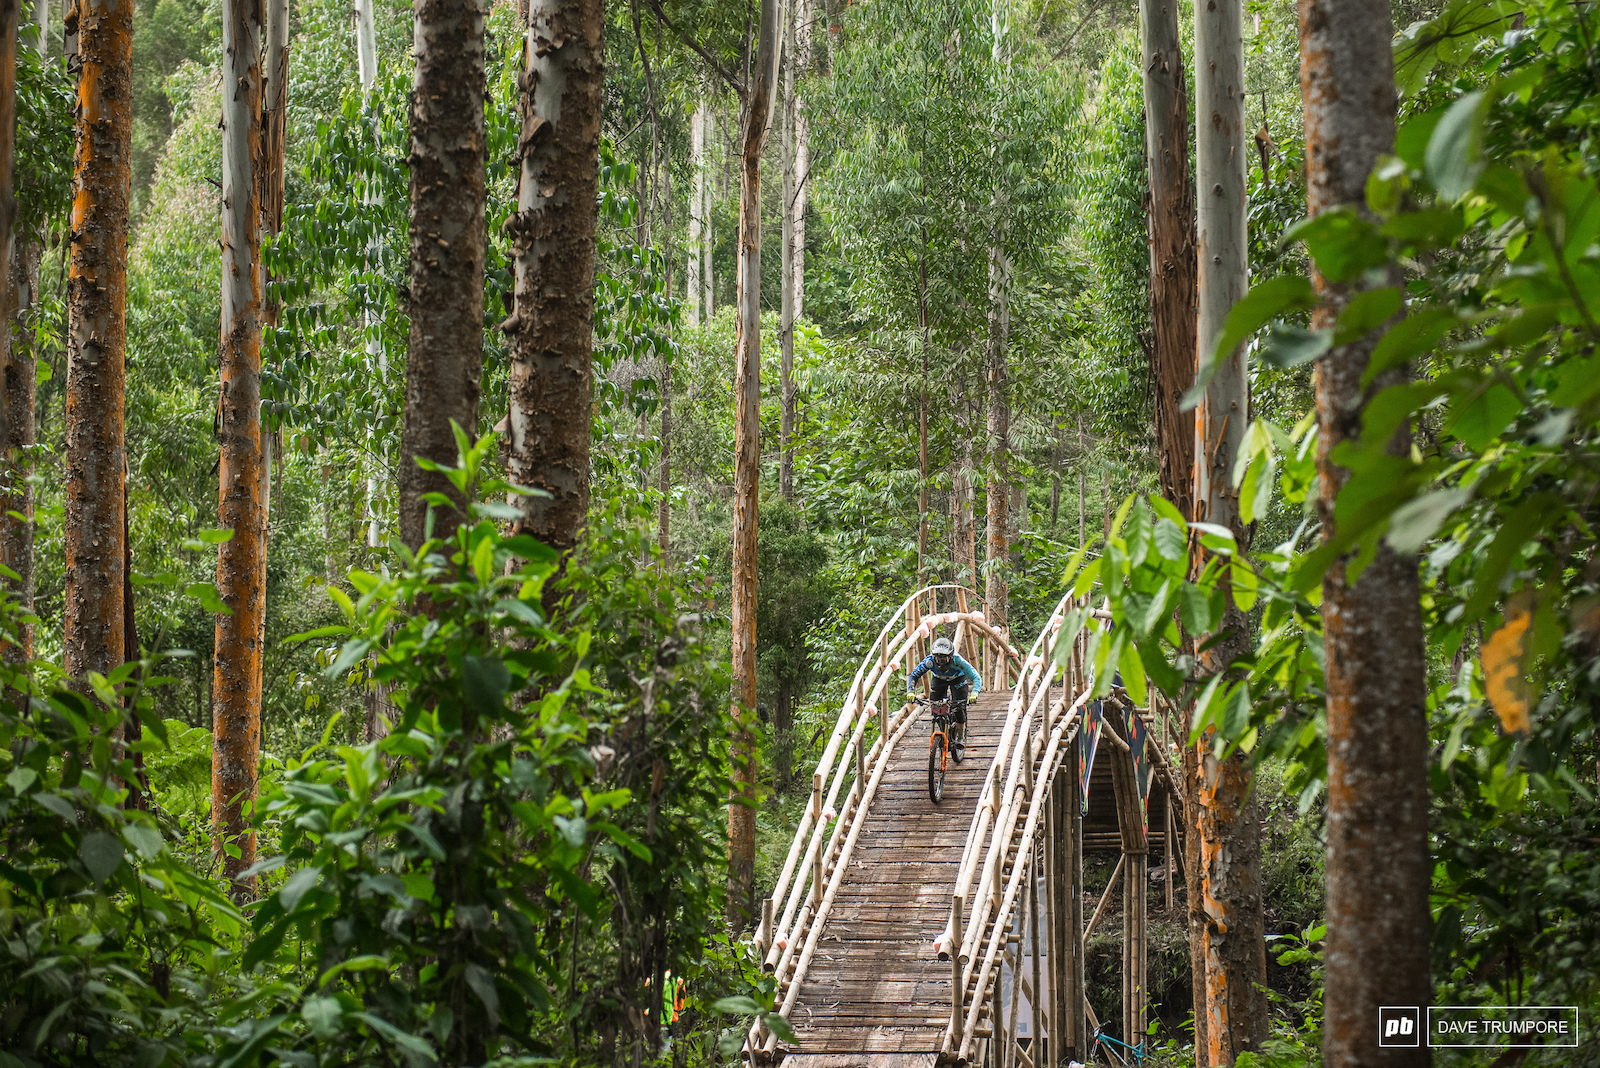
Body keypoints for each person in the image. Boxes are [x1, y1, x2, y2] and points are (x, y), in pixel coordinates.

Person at [908, 636, 981, 755]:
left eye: (944, 659)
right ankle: (943, 730)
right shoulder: (929, 661)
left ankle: (961, 736)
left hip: (958, 679)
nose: (941, 662)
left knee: (959, 708)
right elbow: (914, 675)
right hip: (938, 680)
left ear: (951, 657)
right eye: (938, 659)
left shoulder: (958, 661)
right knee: (936, 708)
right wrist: (911, 691)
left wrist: (974, 693)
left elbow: (975, 677)